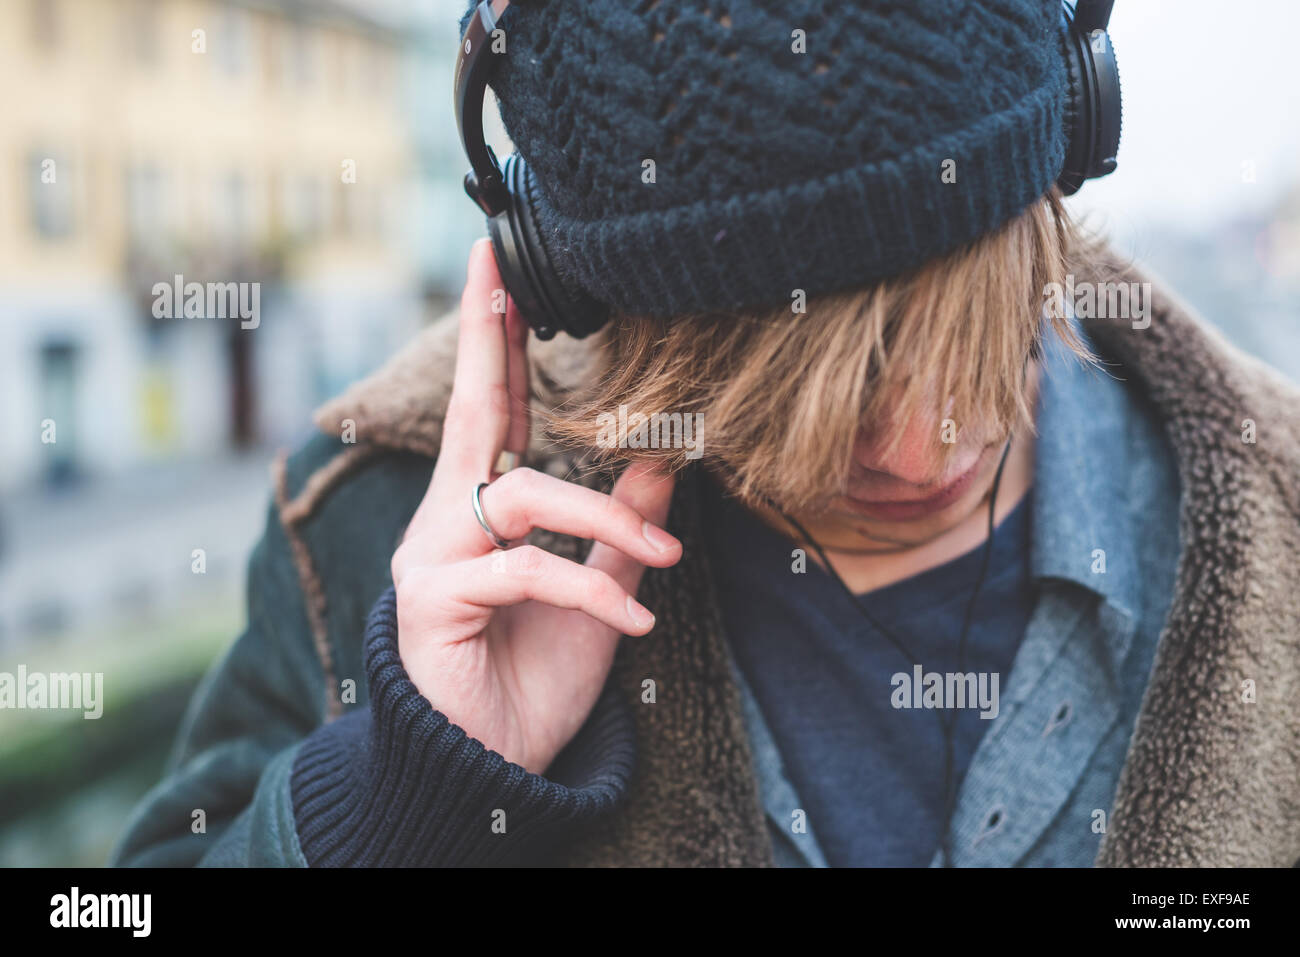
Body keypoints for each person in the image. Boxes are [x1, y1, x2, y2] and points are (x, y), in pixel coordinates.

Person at [112, 0, 1300, 867]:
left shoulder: (1277, 503)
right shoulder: (371, 522)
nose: (919, 451)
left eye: (961, 336)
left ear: (1066, 155)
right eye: (794, 400)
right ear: (589, 306)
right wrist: (400, 794)